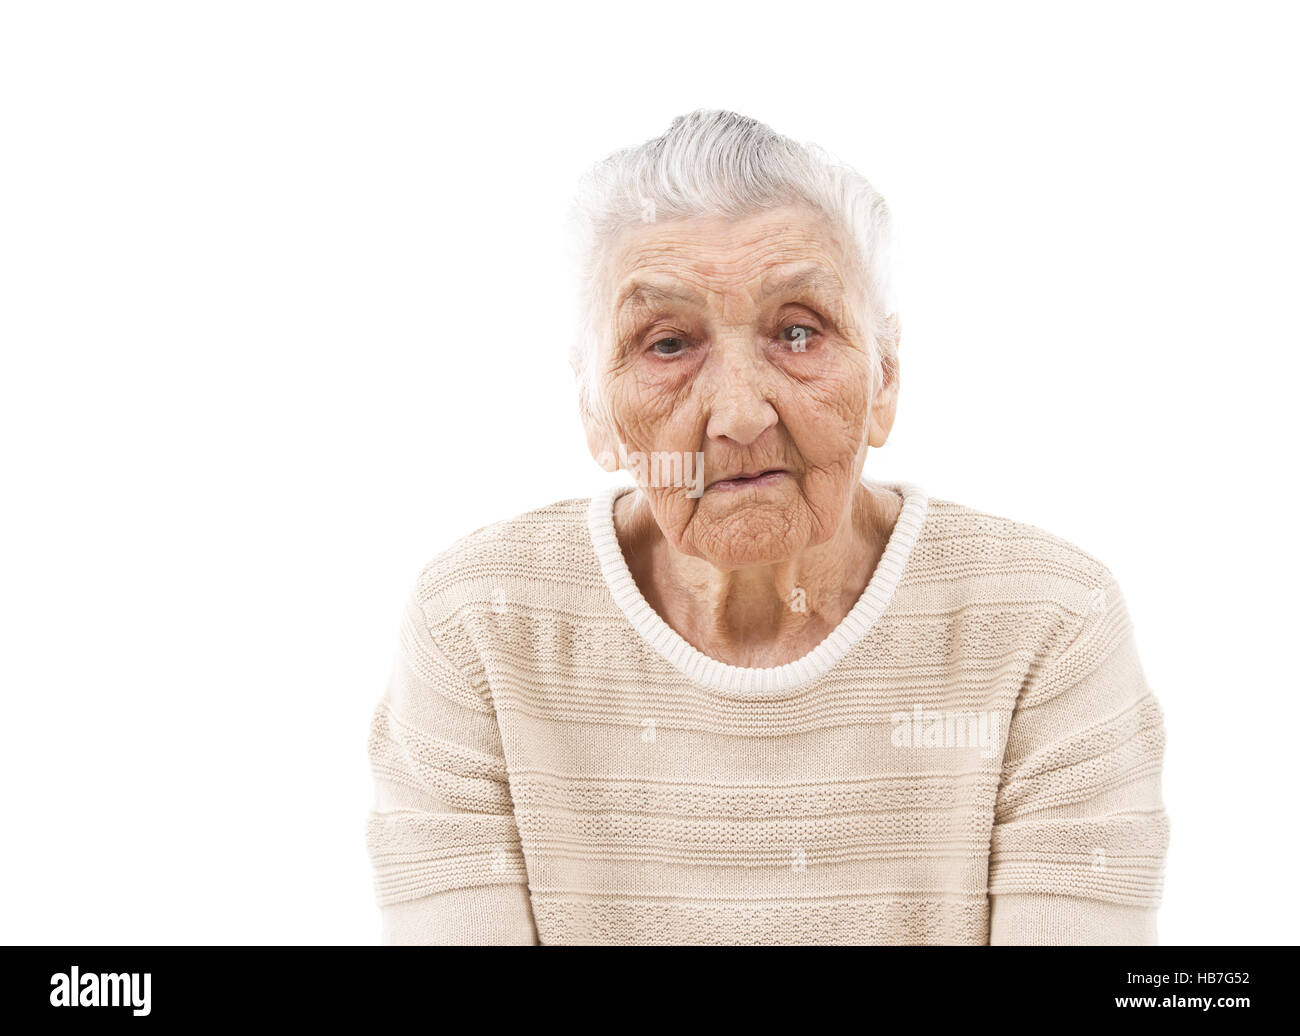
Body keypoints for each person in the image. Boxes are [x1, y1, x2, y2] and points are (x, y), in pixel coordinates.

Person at [363, 109, 1170, 945]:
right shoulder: (479, 628)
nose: (741, 416)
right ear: (593, 412)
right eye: (668, 343)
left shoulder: (1047, 625)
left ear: (885, 379)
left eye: (798, 332)